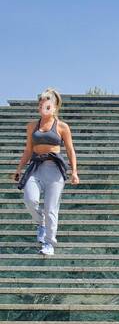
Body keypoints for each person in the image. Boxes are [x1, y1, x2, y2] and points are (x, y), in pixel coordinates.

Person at [13, 88, 79, 256]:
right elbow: (28, 150)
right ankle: (40, 222)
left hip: (55, 170)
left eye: (47, 103)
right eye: (40, 103)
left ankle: (49, 243)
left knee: (51, 209)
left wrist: (74, 172)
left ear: (54, 108)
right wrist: (19, 168)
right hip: (36, 167)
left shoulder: (62, 127)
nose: (42, 106)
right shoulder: (32, 126)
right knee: (30, 200)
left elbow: (70, 150)